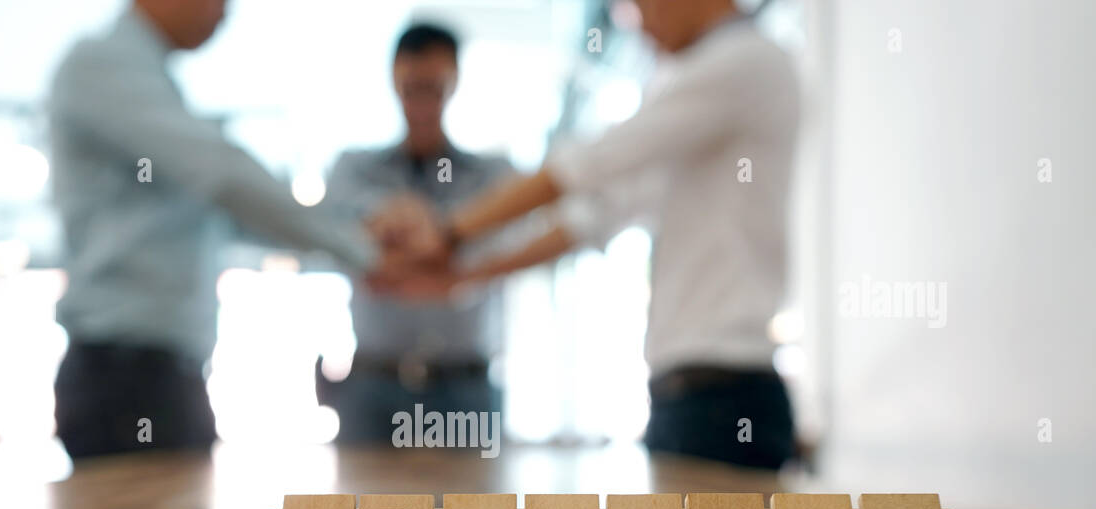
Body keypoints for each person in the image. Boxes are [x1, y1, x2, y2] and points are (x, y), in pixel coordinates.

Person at [380, 0, 800, 470]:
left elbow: (591, 163)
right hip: (686, 396)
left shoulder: (743, 61)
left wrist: (448, 232)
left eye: (638, 4)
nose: (638, 23)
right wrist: (462, 277)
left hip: (727, 396)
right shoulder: (705, 104)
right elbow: (593, 218)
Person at [48, 0, 395, 459]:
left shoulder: (150, 82)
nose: (225, 14)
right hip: (125, 376)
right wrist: (361, 249)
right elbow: (222, 175)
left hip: (160, 374)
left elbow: (227, 210)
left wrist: (362, 233)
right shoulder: (99, 64)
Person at [316, 23, 517, 443]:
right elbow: (328, 235)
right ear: (394, 81)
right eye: (412, 88)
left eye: (433, 87)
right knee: (360, 508)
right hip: (374, 385)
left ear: (454, 81)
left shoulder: (496, 177)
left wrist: (414, 239)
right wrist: (408, 230)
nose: (423, 103)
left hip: (468, 390)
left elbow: (510, 247)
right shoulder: (352, 169)